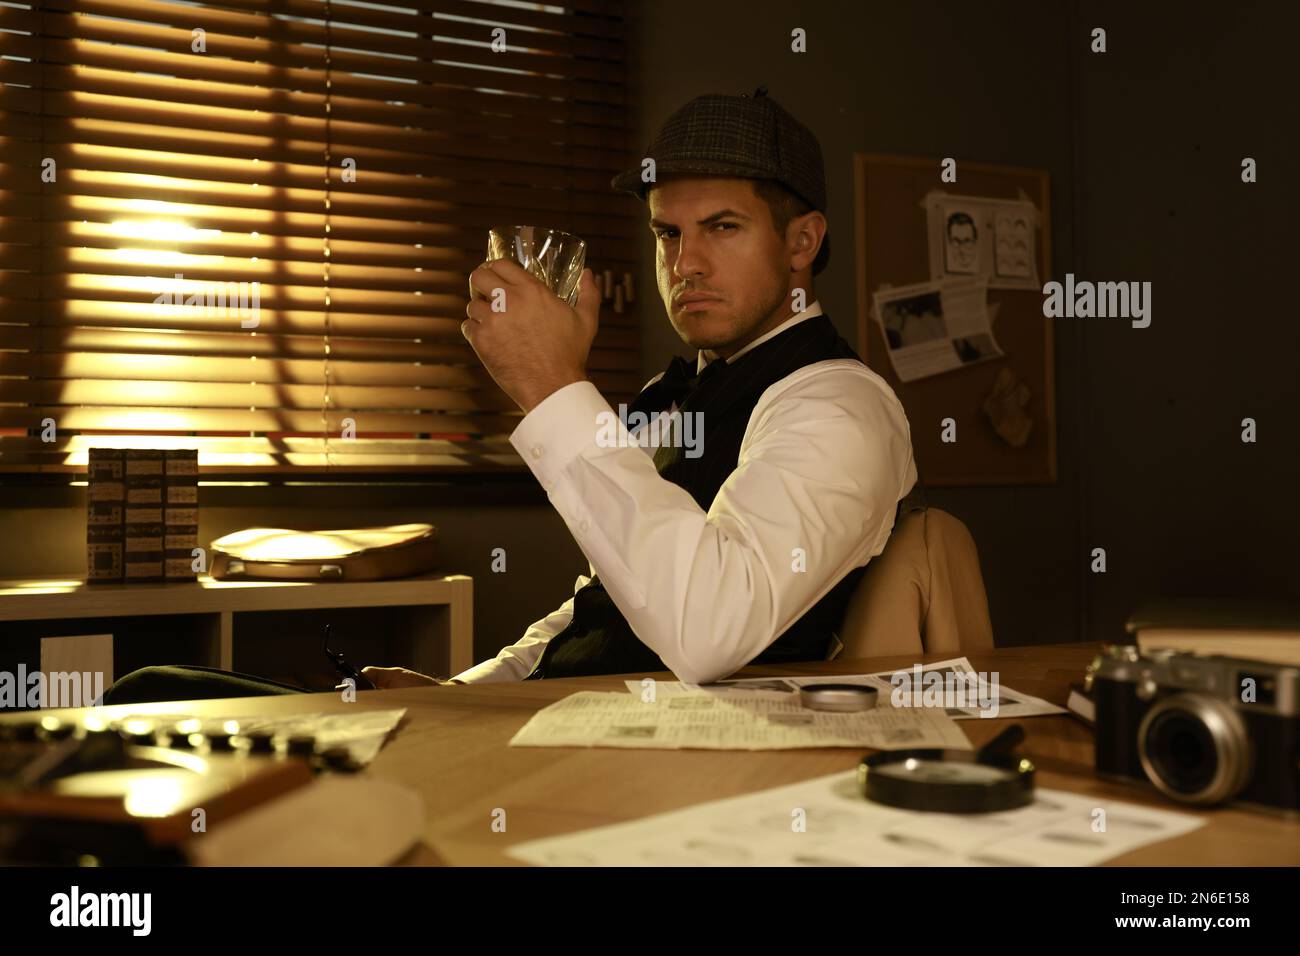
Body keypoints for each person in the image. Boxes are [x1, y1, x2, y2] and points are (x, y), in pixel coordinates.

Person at [102, 87, 917, 705]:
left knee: (147, 698)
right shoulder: (685, 395)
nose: (686, 262)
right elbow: (596, 610)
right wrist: (461, 694)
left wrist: (553, 385)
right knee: (155, 690)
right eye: (669, 233)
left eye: (723, 227)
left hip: (648, 758)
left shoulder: (838, 406)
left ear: (803, 241)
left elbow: (708, 631)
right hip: (551, 718)